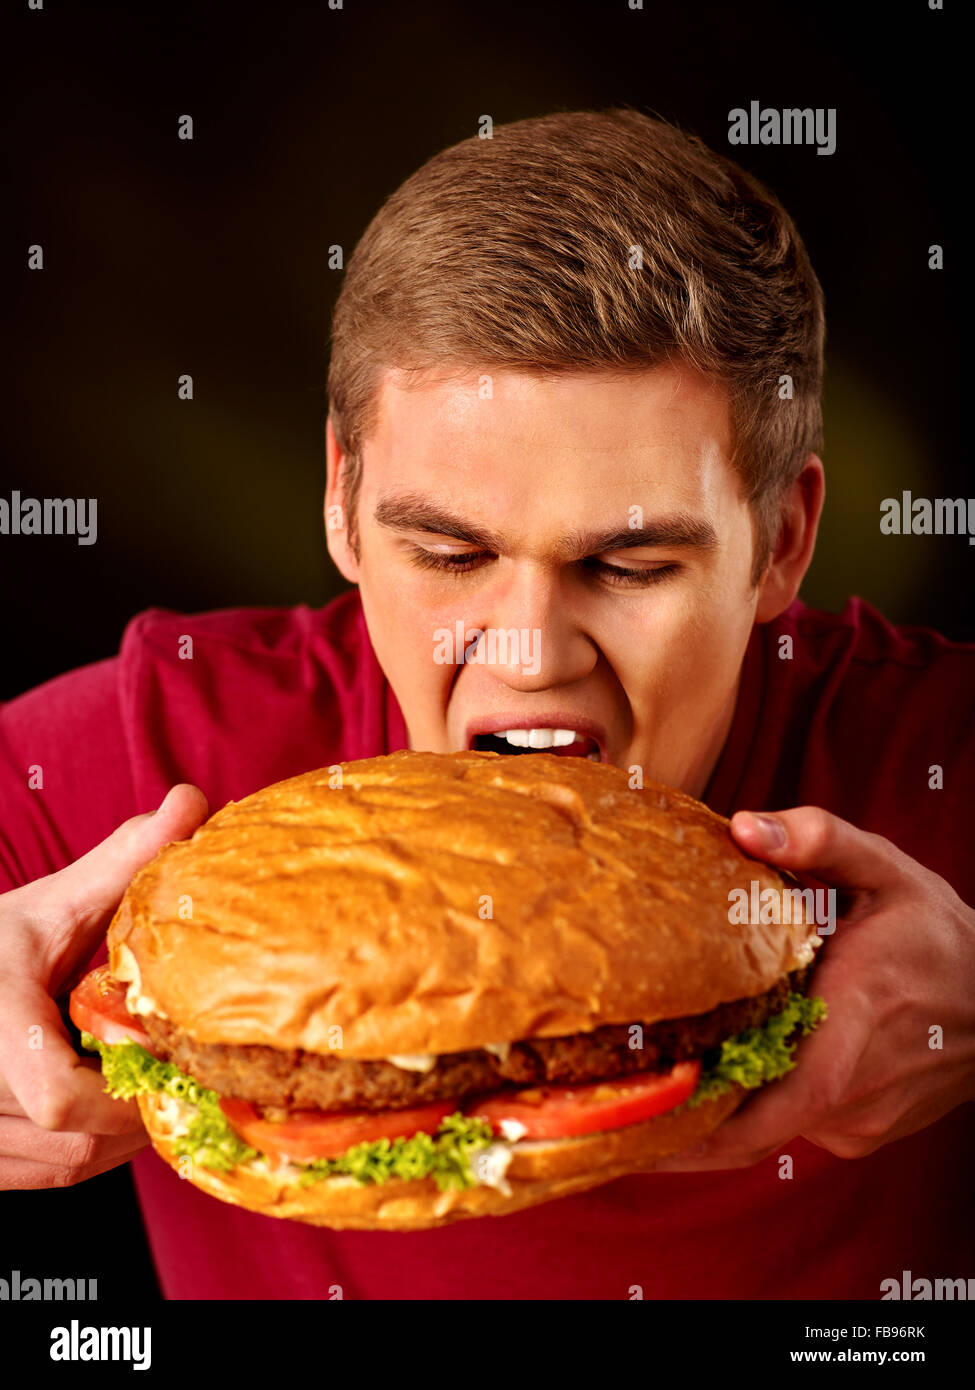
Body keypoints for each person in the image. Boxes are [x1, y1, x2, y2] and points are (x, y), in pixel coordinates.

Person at [1, 108, 972, 1300]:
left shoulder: (943, 753)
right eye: (451, 554)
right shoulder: (153, 746)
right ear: (341, 505)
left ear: (783, 541)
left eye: (627, 567)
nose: (526, 653)